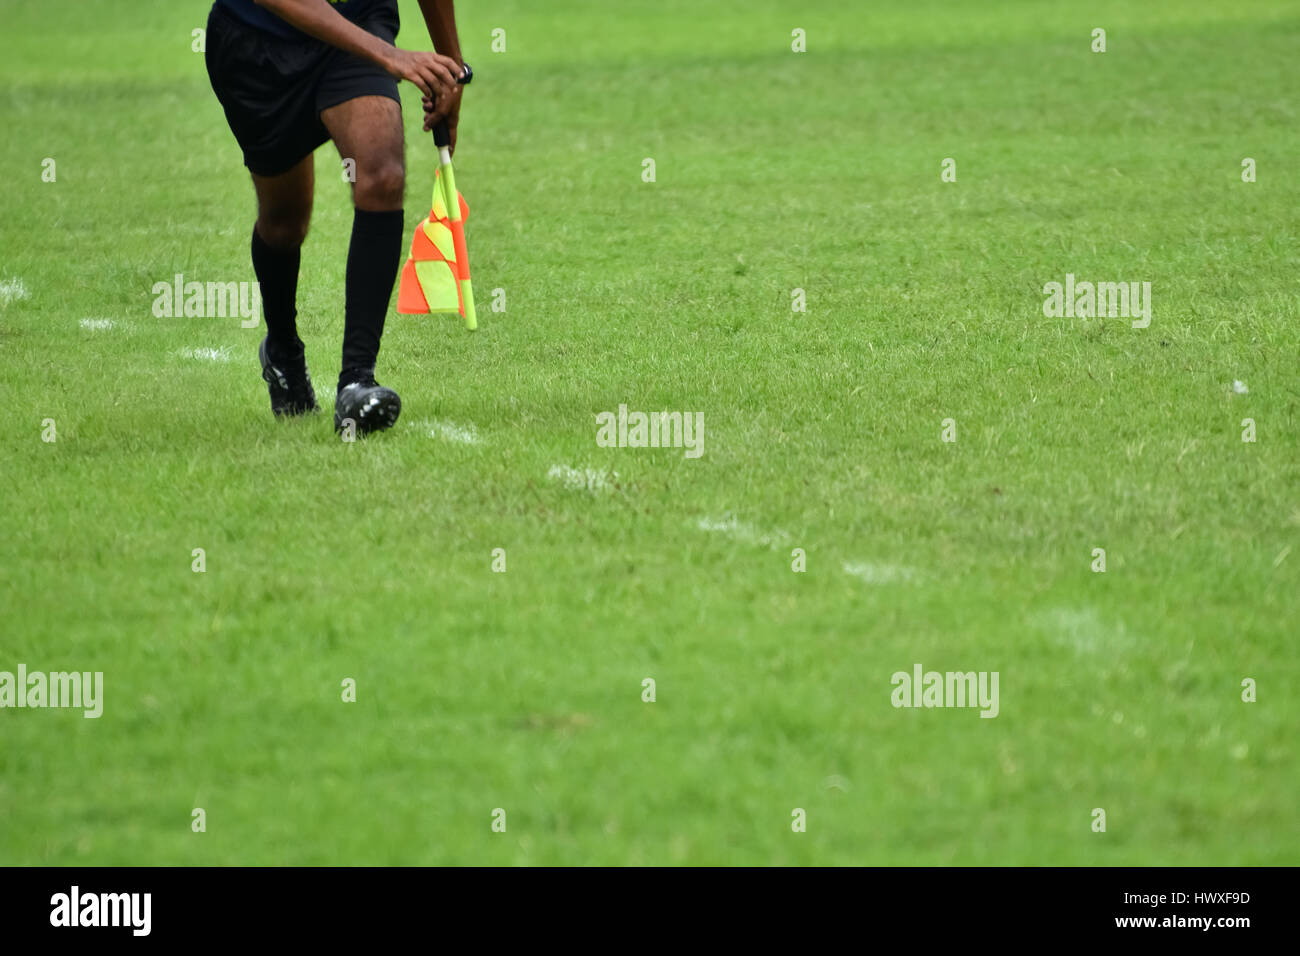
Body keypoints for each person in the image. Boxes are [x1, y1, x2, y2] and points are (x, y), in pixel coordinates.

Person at [204, 0, 467, 432]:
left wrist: (453, 71)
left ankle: (356, 382)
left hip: (357, 20)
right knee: (284, 222)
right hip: (258, 42)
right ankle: (283, 350)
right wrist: (389, 55)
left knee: (382, 176)